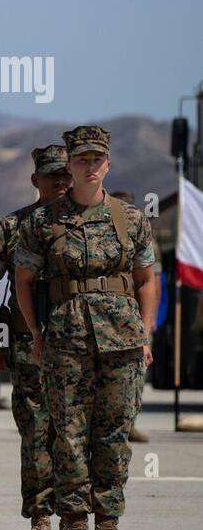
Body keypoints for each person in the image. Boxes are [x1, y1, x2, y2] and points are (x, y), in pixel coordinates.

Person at [14, 126, 156, 530]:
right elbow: (22, 281)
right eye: (81, 160)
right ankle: (74, 529)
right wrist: (37, 335)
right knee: (69, 436)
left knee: (113, 436)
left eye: (97, 160)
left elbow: (148, 279)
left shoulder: (130, 219)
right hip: (66, 340)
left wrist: (146, 334)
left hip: (122, 341)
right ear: (70, 166)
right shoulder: (43, 222)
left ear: (107, 165)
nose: (89, 167)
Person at [0, 144, 72, 530]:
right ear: (36, 180)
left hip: (76, 343)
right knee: (36, 434)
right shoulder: (12, 228)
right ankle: (39, 521)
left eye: (66, 174)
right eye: (52, 175)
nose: (61, 181)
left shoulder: (85, 224)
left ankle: (75, 521)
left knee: (73, 433)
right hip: (24, 342)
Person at [111, 190, 158, 445]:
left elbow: (151, 280)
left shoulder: (140, 230)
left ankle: (130, 421)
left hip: (135, 315)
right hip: (111, 315)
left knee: (135, 375)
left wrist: (150, 321)